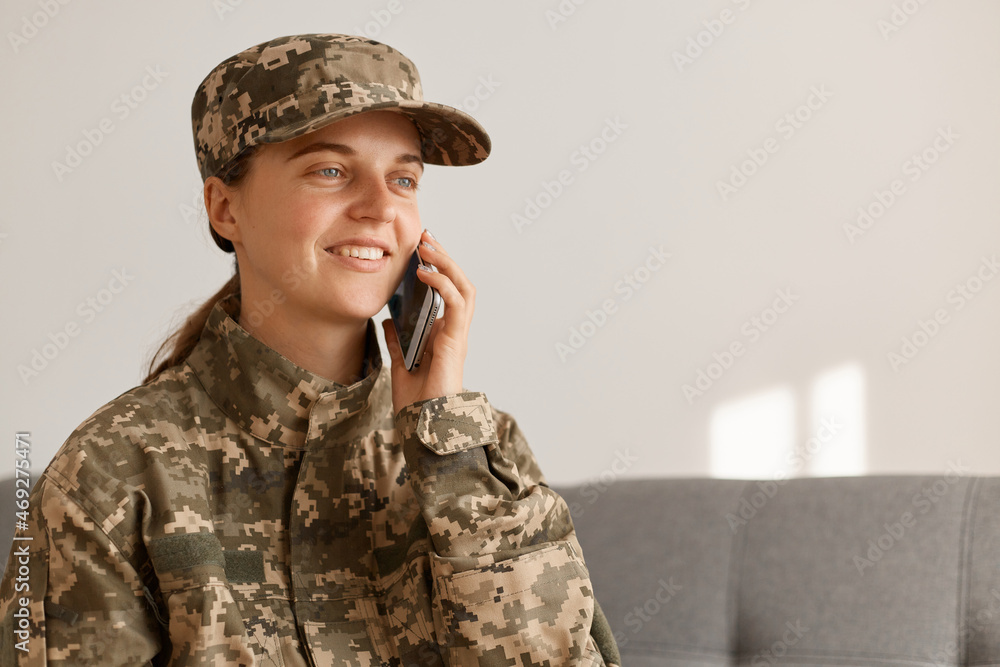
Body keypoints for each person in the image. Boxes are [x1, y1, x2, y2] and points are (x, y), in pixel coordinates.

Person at [0, 33, 621, 665]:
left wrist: (449, 457)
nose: (382, 208)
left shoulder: (481, 451)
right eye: (330, 170)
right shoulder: (108, 476)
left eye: (404, 178)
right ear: (224, 209)